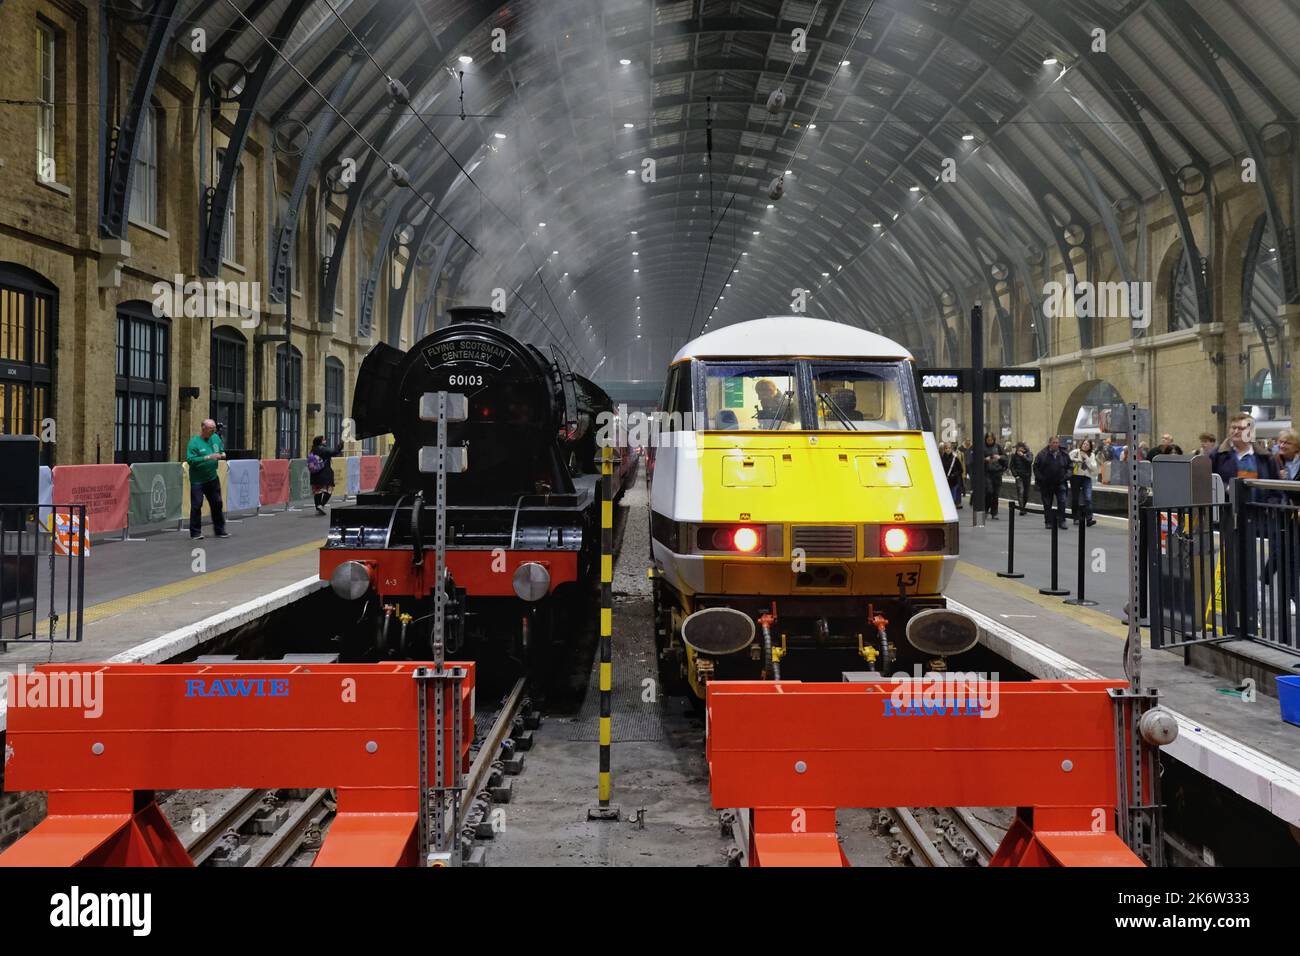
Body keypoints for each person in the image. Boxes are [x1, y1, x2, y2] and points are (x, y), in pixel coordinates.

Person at [1209, 413, 1280, 503]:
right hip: (1227, 511)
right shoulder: (1217, 456)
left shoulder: (1266, 457)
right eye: (1233, 428)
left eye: (1241, 429)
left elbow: (1276, 488)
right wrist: (1226, 488)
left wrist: (1269, 508)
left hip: (1259, 512)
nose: (1235, 431)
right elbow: (1207, 481)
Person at [186, 418, 229, 540]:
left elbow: (221, 450)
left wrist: (222, 454)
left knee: (217, 503)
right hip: (198, 480)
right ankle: (195, 532)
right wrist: (208, 457)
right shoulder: (194, 442)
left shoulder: (215, 438)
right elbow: (191, 460)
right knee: (196, 505)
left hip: (212, 477)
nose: (213, 432)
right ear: (203, 428)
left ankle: (220, 530)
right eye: (211, 430)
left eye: (214, 429)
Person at [1033, 436, 1071, 529]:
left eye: (1057, 443)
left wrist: (1066, 476)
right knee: (1047, 503)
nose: (1055, 444)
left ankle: (1062, 520)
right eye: (1053, 442)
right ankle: (1048, 521)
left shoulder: (1064, 454)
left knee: (1062, 501)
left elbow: (1070, 466)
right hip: (1046, 483)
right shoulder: (1042, 454)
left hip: (1060, 482)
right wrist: (1041, 478)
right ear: (1049, 443)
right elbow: (1036, 467)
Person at [308, 435, 344, 515]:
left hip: (315, 474)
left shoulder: (313, 450)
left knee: (317, 491)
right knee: (329, 490)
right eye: (324, 440)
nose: (325, 441)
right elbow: (334, 452)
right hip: (325, 473)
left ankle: (318, 507)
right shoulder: (323, 449)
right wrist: (340, 445)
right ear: (320, 442)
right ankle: (322, 505)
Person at [1068, 438, 1100, 527]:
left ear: (1090, 447)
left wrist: (1086, 458)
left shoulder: (1091, 455)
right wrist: (1075, 460)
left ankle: (1089, 518)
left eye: (1087, 445)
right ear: (1081, 445)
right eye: (1084, 444)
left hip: (1086, 477)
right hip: (1076, 477)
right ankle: (1076, 517)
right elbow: (1068, 460)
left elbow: (1094, 468)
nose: (1085, 446)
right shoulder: (1075, 452)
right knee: (1076, 498)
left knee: (1088, 497)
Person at [982, 433, 1006, 518]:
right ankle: (985, 509)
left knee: (996, 494)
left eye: (991, 440)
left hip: (997, 472)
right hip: (987, 473)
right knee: (989, 491)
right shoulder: (982, 447)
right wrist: (985, 459)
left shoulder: (998, 447)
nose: (990, 441)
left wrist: (999, 457)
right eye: (988, 440)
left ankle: (994, 512)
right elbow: (977, 459)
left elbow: (1005, 457)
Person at [1010, 441, 1033, 514]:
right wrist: (1015, 475)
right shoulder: (1014, 456)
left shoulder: (1029, 454)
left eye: (1018, 448)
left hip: (1027, 476)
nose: (1017, 450)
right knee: (1020, 492)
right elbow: (1011, 466)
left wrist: (1023, 456)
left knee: (1026, 494)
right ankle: (1021, 509)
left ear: (1022, 448)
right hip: (1019, 477)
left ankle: (1023, 506)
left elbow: (1030, 461)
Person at [941, 442, 964, 509]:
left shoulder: (955, 459)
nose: (948, 449)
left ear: (951, 449)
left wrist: (954, 474)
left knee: (952, 499)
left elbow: (961, 470)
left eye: (949, 448)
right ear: (944, 449)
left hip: (954, 482)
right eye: (946, 448)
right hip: (945, 482)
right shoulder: (941, 459)